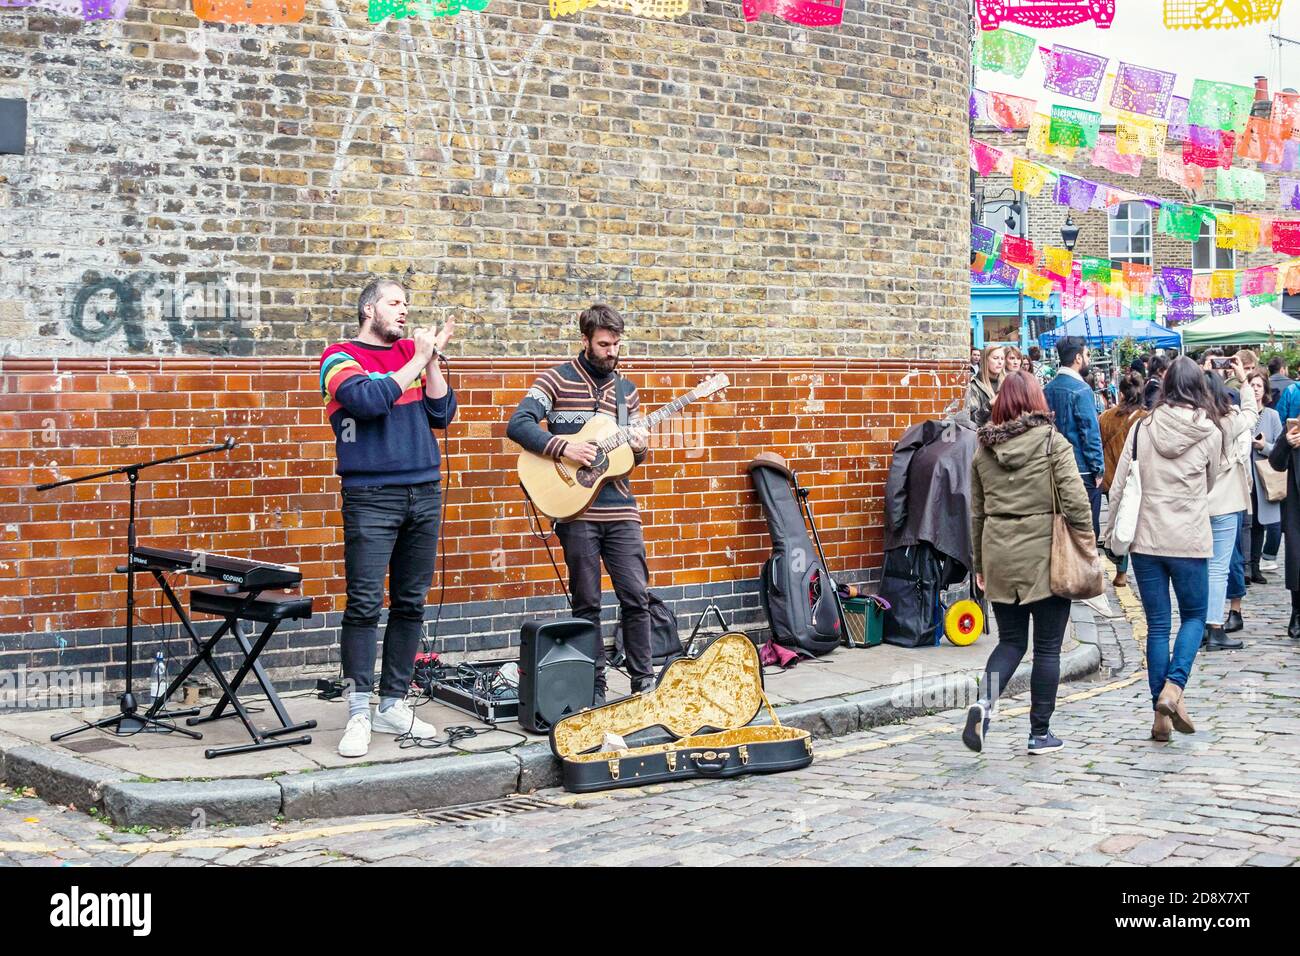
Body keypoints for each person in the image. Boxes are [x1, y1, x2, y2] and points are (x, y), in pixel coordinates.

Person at [319, 279, 458, 758]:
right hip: (370, 494)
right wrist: (418, 359)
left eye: (406, 304)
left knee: (410, 603)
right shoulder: (338, 357)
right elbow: (366, 402)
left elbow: (442, 413)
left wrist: (432, 359)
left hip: (424, 491)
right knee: (362, 603)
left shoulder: (414, 356)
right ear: (368, 309)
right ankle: (359, 710)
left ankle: (393, 703)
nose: (404, 311)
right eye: (394, 303)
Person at [506, 304, 653, 705]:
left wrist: (640, 448)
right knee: (587, 603)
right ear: (585, 340)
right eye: (604, 344)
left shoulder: (627, 391)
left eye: (617, 344)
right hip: (577, 512)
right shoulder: (555, 380)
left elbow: (628, 458)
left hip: (621, 509)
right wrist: (565, 445)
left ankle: (644, 683)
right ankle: (594, 687)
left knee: (637, 597)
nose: (612, 352)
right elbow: (518, 424)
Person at [965, 371, 1093, 756]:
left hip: (999, 551)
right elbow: (1075, 501)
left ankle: (983, 704)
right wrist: (1086, 543)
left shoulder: (982, 451)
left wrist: (980, 565)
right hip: (1046, 553)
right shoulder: (1053, 443)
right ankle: (1039, 734)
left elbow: (977, 513)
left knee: (1011, 642)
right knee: (1049, 647)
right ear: (1037, 400)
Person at [1105, 357, 1220, 743]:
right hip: (1188, 538)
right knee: (1193, 617)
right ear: (1199, 387)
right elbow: (1210, 482)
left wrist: (1111, 541)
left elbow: (1120, 486)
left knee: (1157, 626)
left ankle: (1161, 716)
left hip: (1147, 541)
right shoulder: (1210, 432)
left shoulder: (1141, 426)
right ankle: (1174, 689)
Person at [1202, 360, 1256, 651]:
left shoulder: (1193, 421)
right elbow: (1251, 414)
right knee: (1219, 567)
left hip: (1197, 501)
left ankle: (1197, 626)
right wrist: (1243, 380)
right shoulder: (1227, 420)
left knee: (1199, 567)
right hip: (1225, 501)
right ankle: (1214, 627)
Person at [1044, 336, 1105, 539]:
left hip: (1052, 467)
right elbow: (1089, 432)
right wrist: (1098, 469)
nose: (1088, 359)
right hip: (1082, 470)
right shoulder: (1081, 389)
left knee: (1059, 528)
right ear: (1078, 358)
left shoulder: (1047, 389)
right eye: (1087, 355)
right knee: (1086, 528)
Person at [1098, 372, 1148, 588]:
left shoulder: (1105, 417)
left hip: (1113, 479)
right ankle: (1142, 566)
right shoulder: (1147, 419)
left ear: (1120, 393)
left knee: (1121, 521)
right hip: (1140, 478)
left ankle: (1121, 571)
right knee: (1140, 524)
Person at [1247, 369, 1283, 583]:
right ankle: (1245, 568)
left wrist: (1264, 446)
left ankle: (1255, 565)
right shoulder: (1242, 413)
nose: (1256, 390)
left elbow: (1280, 447)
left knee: (1260, 523)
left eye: (1259, 386)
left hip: (1263, 478)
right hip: (1243, 476)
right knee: (1246, 523)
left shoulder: (1272, 415)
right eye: (1252, 386)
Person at [1266, 419, 1300, 640]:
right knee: (1297, 561)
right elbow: (1276, 463)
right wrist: (1286, 443)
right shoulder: (1295, 427)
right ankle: (1297, 612)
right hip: (1297, 507)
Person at [964, 344, 1005, 427]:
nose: (1000, 362)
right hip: (985, 435)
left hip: (1008, 433)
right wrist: (989, 405)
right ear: (986, 360)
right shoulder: (974, 385)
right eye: (995, 358)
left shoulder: (1008, 382)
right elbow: (972, 420)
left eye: (1002, 359)